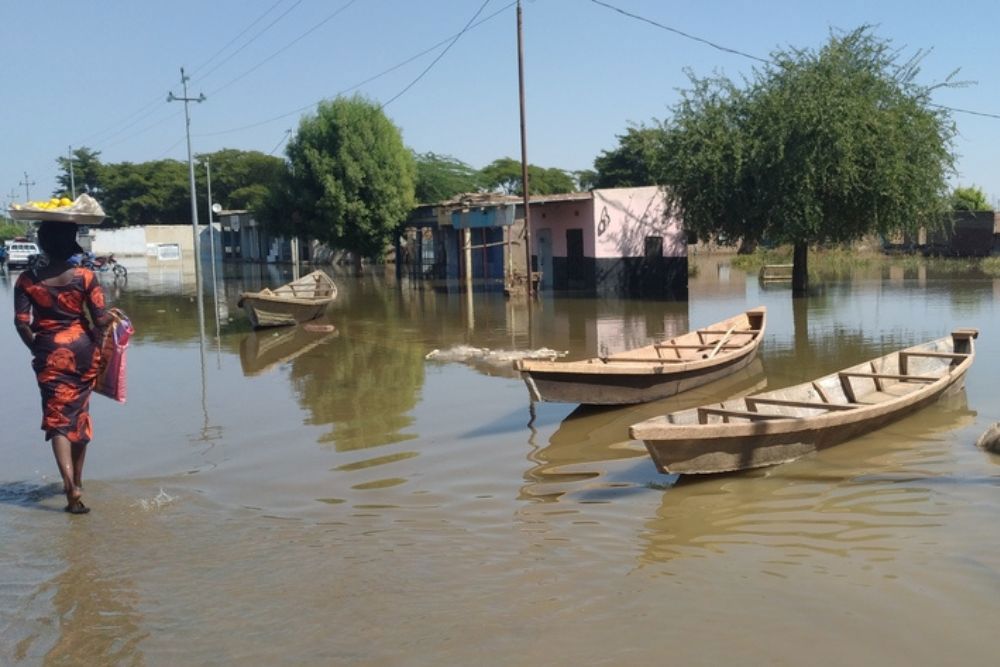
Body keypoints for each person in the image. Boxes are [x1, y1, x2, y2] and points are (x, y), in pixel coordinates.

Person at [13, 221, 111, 514]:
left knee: (57, 420)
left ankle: (69, 482)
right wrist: (112, 320)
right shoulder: (85, 277)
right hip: (82, 351)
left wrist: (38, 348)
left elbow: (21, 322)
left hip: (49, 352)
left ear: (42, 244)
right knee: (78, 417)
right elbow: (100, 319)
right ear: (71, 244)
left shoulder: (27, 281)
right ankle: (77, 481)